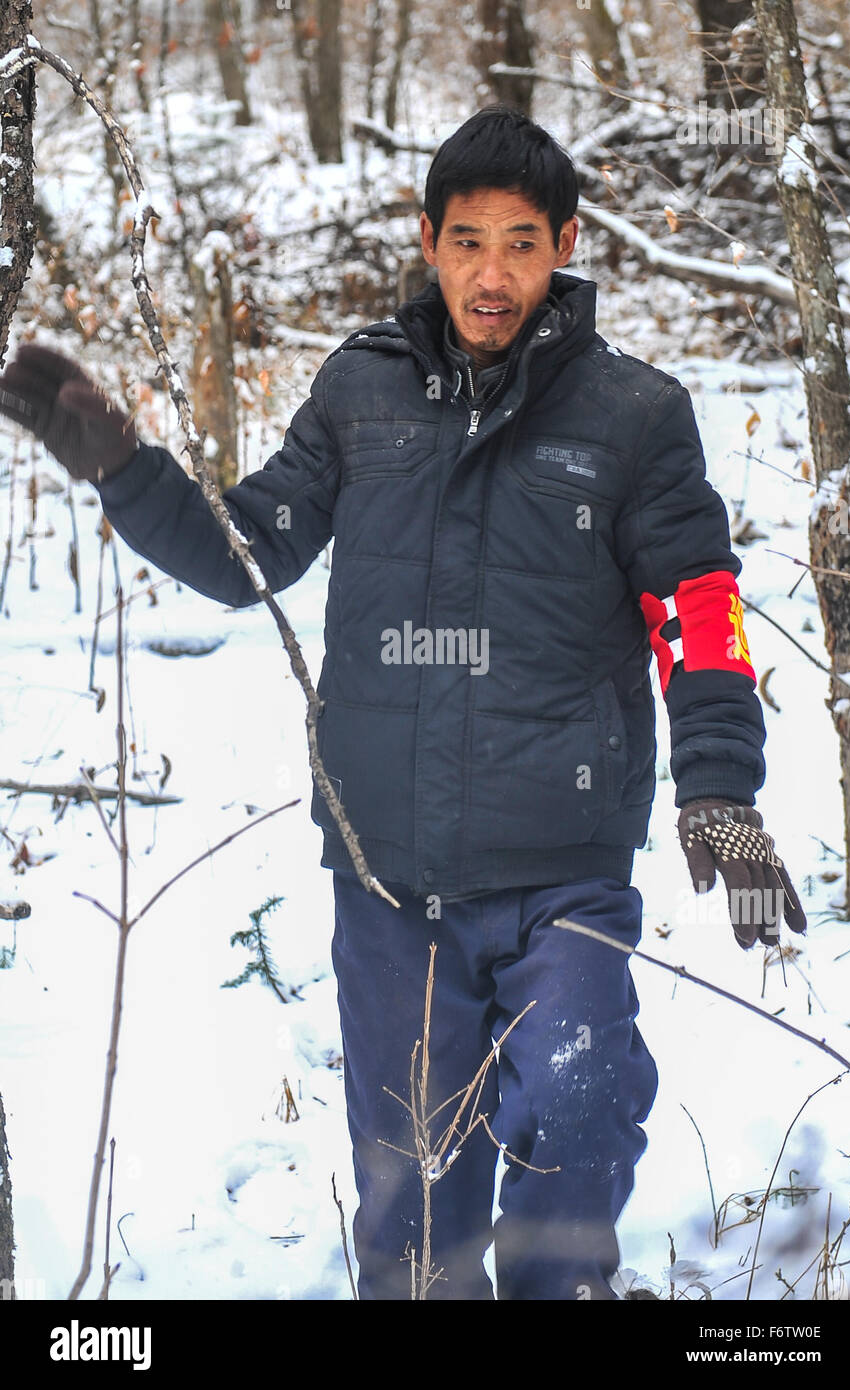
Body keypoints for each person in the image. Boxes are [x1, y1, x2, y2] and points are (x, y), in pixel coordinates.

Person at [0, 105, 806, 1301]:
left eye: (523, 242)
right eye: (468, 239)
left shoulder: (634, 415)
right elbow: (244, 552)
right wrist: (121, 465)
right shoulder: (358, 393)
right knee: (412, 1212)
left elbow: (699, 607)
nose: (493, 273)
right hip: (388, 878)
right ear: (427, 240)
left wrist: (722, 789)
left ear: (566, 243)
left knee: (579, 1109)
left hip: (562, 868)